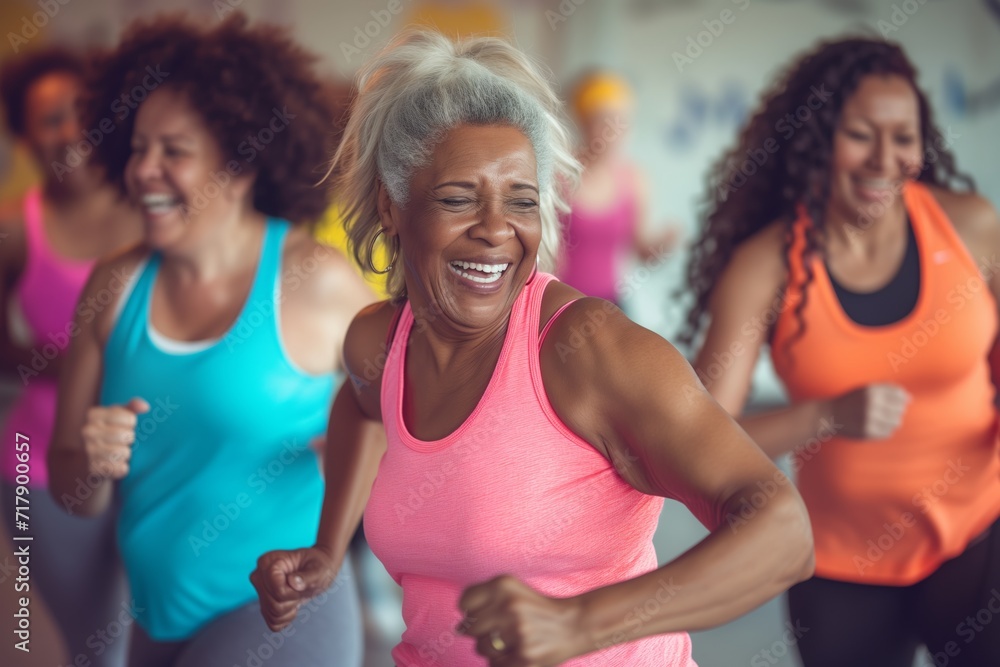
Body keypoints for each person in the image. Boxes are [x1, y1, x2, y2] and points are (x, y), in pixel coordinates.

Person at [251, 30, 814, 667]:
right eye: (458, 199)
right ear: (391, 206)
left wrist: (579, 624)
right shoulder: (379, 342)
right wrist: (327, 550)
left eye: (521, 202)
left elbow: (782, 531)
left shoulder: (589, 349)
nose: (496, 230)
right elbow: (361, 406)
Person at [47, 14, 374, 667]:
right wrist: (93, 459)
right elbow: (68, 484)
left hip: (282, 613)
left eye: (174, 151)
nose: (144, 170)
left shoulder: (318, 282)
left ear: (242, 161)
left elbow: (416, 409)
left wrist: (357, 456)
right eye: (138, 148)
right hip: (157, 620)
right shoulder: (114, 286)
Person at [682, 37, 1000, 667]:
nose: (885, 158)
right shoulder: (765, 268)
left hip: (979, 536)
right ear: (817, 138)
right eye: (861, 134)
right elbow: (697, 439)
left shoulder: (971, 227)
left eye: (903, 136)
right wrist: (824, 415)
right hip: (840, 562)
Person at [0, 47, 141, 667]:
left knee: (136, 633)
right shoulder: (13, 227)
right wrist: (57, 362)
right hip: (33, 459)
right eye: (47, 118)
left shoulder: (154, 212)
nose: (69, 131)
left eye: (80, 112)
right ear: (22, 134)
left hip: (148, 455)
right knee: (66, 636)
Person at [558, 70, 679, 305]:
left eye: (623, 122)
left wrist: (664, 244)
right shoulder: (558, 175)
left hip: (609, 304)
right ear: (584, 123)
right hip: (559, 302)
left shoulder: (634, 179)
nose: (614, 132)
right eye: (605, 121)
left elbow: (642, 252)